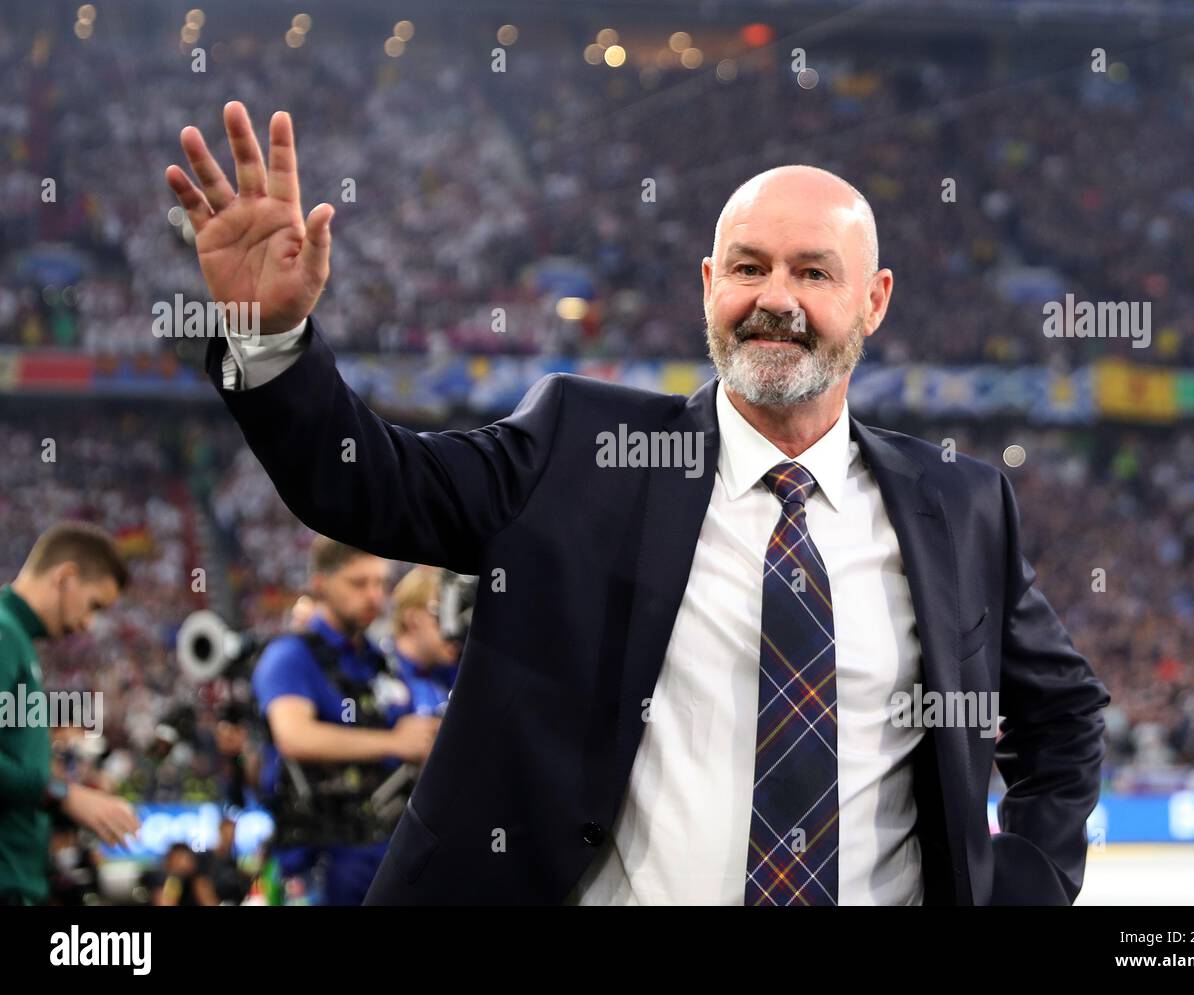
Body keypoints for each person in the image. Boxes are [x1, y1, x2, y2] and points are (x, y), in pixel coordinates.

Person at [166, 102, 1110, 905]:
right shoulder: (581, 448)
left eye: (813, 272)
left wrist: (1019, 883)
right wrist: (272, 332)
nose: (774, 298)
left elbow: (1061, 719)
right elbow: (368, 484)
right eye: (747, 267)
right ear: (709, 286)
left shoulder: (961, 503)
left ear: (875, 301)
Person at [249, 536, 436, 905]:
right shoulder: (291, 655)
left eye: (381, 583)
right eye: (358, 583)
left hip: (386, 858)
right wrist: (394, 742)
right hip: (316, 866)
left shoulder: (379, 662)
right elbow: (294, 736)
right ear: (321, 583)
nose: (373, 596)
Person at [0, 522, 141, 906]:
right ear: (66, 577)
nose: (87, 624)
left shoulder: (18, 640)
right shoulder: (3, 632)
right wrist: (63, 795)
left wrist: (73, 802)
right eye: (94, 605)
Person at [384, 566, 459, 719]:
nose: (453, 629)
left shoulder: (450, 672)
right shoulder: (378, 668)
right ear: (413, 618)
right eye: (442, 616)